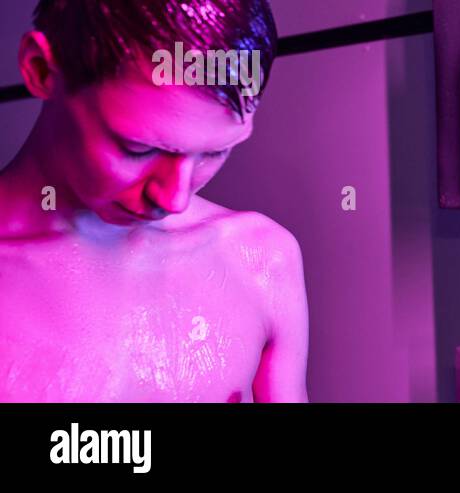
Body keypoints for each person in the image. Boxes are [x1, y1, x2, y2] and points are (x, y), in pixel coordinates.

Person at [0, 0, 307, 402]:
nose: (174, 198)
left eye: (215, 152)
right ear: (41, 70)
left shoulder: (261, 261)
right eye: (138, 149)